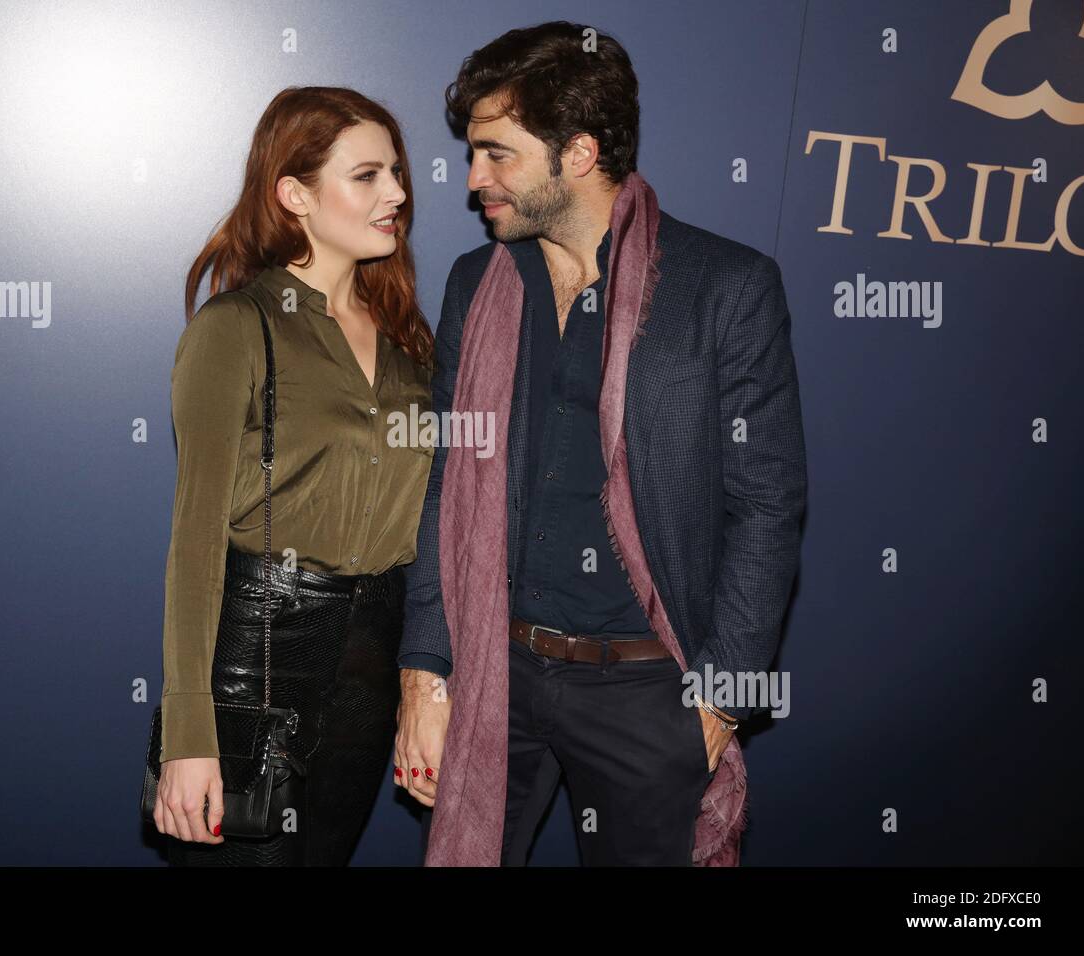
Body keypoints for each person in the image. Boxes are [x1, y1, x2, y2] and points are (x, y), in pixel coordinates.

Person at [394, 21, 807, 866]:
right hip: (493, 672)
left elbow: (767, 504)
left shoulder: (724, 287)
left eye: (496, 154)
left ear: (577, 152)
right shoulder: (477, 284)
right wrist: (425, 672)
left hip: (646, 690)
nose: (473, 181)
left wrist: (717, 707)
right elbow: (448, 481)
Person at [155, 86, 435, 866]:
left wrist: (427, 682)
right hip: (259, 656)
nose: (399, 194)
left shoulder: (411, 344)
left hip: (372, 664)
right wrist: (189, 734)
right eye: (369, 175)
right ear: (295, 195)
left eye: (398, 173)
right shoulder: (235, 328)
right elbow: (194, 542)